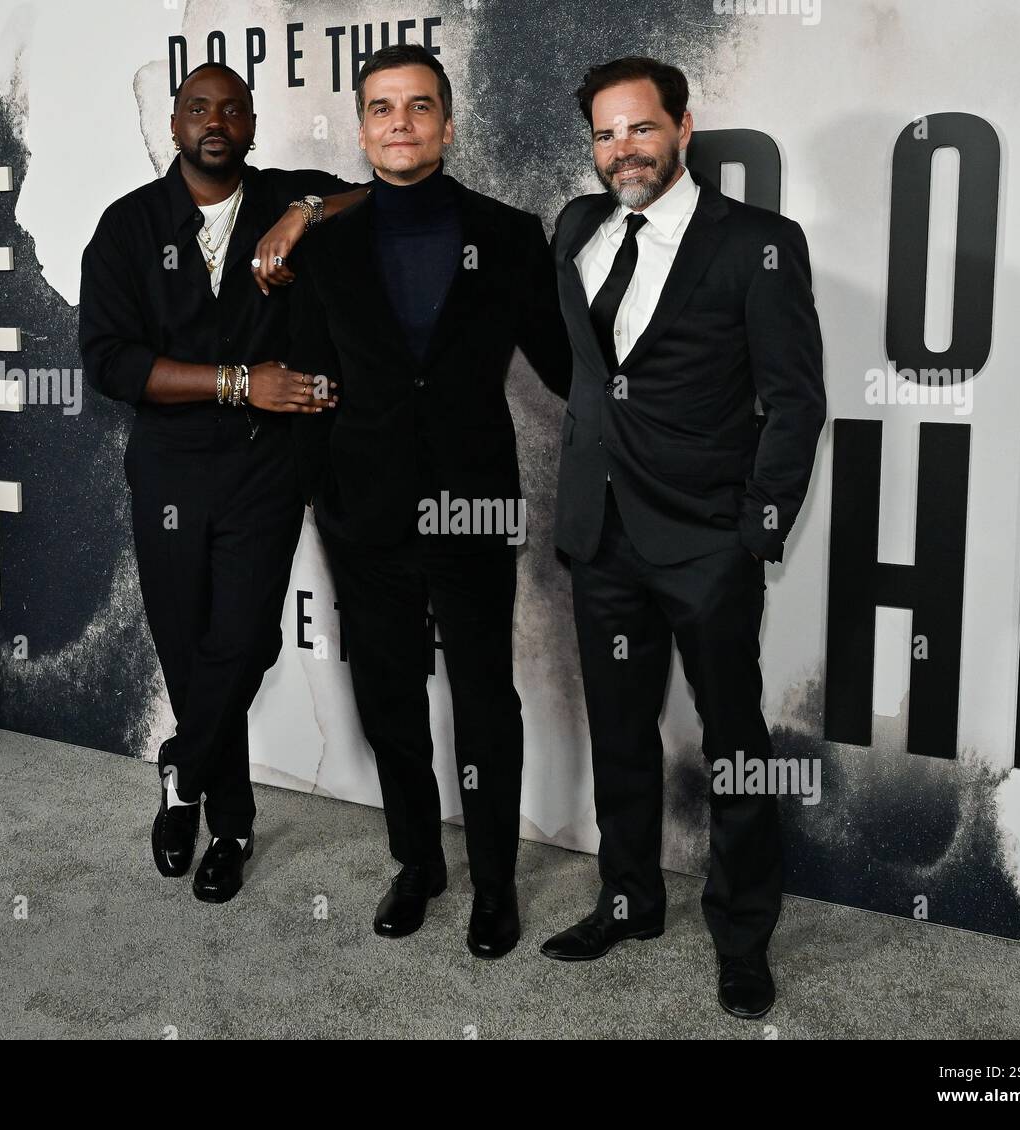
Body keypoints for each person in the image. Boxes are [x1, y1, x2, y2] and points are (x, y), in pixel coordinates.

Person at [539, 56, 825, 1019]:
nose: (623, 150)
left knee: (732, 745)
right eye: (606, 134)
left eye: (640, 129)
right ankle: (630, 900)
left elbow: (795, 401)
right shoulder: (576, 227)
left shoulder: (757, 243)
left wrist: (757, 530)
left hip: (707, 543)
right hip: (600, 536)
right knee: (619, 736)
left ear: (683, 127)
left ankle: (743, 938)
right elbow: (580, 365)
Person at [286, 44, 571, 958]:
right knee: (389, 698)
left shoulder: (514, 232)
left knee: (487, 698)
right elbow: (308, 375)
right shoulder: (321, 244)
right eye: (381, 107)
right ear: (363, 126)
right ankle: (417, 863)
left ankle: (494, 882)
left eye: (418, 107)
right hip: (362, 511)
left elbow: (569, 369)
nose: (399, 122)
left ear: (448, 125)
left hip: (474, 508)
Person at [78, 61, 365, 904]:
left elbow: (381, 196)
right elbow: (110, 361)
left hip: (265, 466)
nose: (215, 121)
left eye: (232, 109)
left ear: (251, 123)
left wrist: (305, 215)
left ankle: (182, 770)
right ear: (174, 125)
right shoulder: (128, 226)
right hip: (169, 466)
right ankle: (230, 824)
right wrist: (241, 380)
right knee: (189, 648)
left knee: (240, 643)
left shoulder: (287, 193)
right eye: (198, 108)